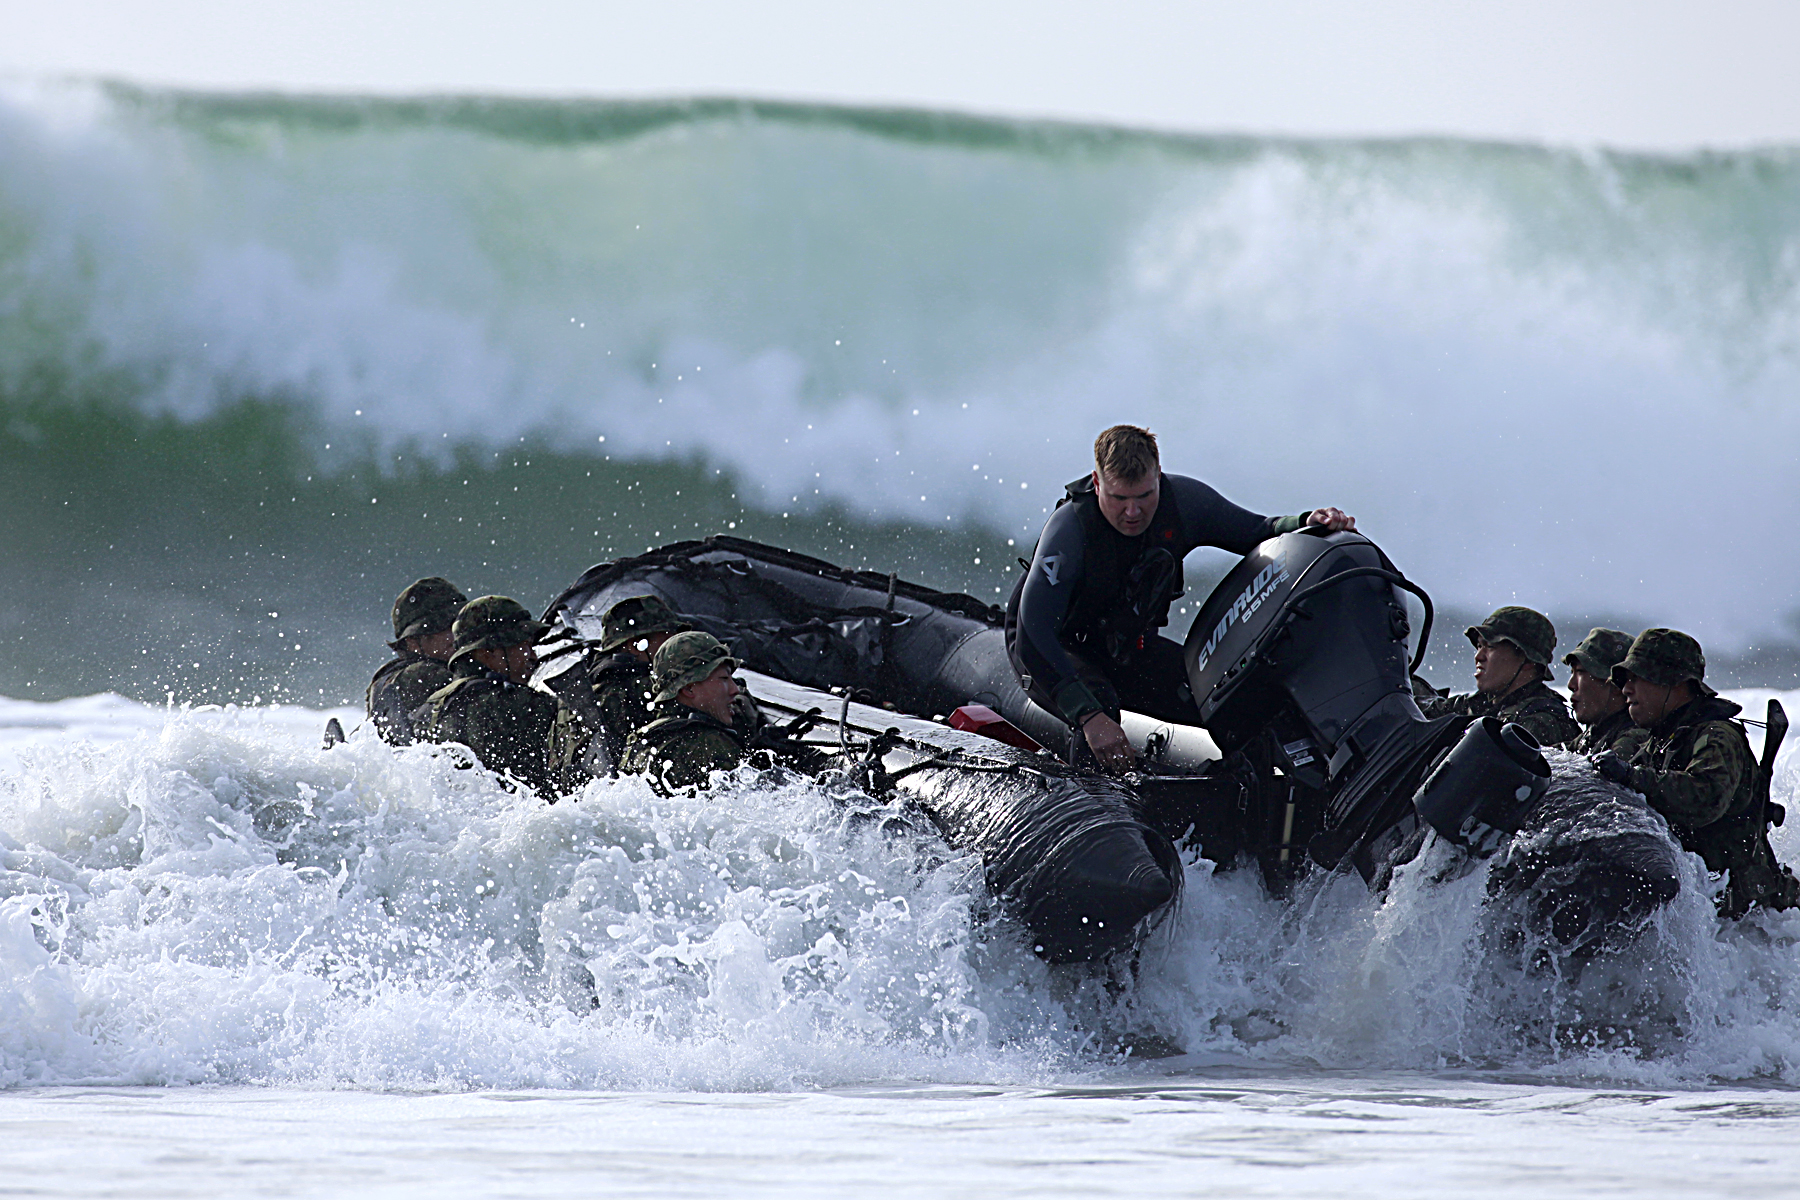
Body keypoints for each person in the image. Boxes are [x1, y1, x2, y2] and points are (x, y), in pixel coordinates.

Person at [1006, 424, 1355, 773]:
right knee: (1101, 706)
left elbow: (1258, 532)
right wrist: (1089, 714)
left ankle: (1257, 808)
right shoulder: (1069, 529)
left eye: (1143, 496)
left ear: (1159, 476)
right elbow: (1033, 633)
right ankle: (1092, 813)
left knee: (1230, 701)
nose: (1133, 512)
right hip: (1055, 649)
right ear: (1097, 484)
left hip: (1123, 648)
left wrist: (1310, 521)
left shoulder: (1184, 503)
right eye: (1119, 498)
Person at [1593, 628, 1798, 918]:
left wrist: (1631, 777)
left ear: (1676, 683)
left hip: (1750, 919)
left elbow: (1704, 797)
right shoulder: (1660, 739)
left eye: (1637, 678)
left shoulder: (1717, 736)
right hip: (1705, 907)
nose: (1626, 689)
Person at [417, 595, 571, 797]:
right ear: (488, 652)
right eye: (523, 646)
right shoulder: (519, 705)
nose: (533, 656)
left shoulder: (428, 709)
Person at [1413, 606, 1581, 749]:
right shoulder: (1488, 702)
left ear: (1527, 660)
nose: (1479, 656)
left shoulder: (1539, 723)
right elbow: (1431, 709)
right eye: (1479, 646)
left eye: (1490, 647)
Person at [584, 595, 694, 769]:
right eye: (669, 641)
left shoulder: (589, 686)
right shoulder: (639, 691)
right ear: (636, 645)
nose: (678, 648)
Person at [366, 577, 467, 745]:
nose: (458, 633)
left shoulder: (384, 679)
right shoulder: (427, 675)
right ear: (413, 641)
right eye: (446, 626)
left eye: (461, 623)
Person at [1561, 627, 1645, 756]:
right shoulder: (1596, 732)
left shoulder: (1631, 742)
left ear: (1616, 685)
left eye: (1580, 672)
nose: (1571, 685)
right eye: (1572, 673)